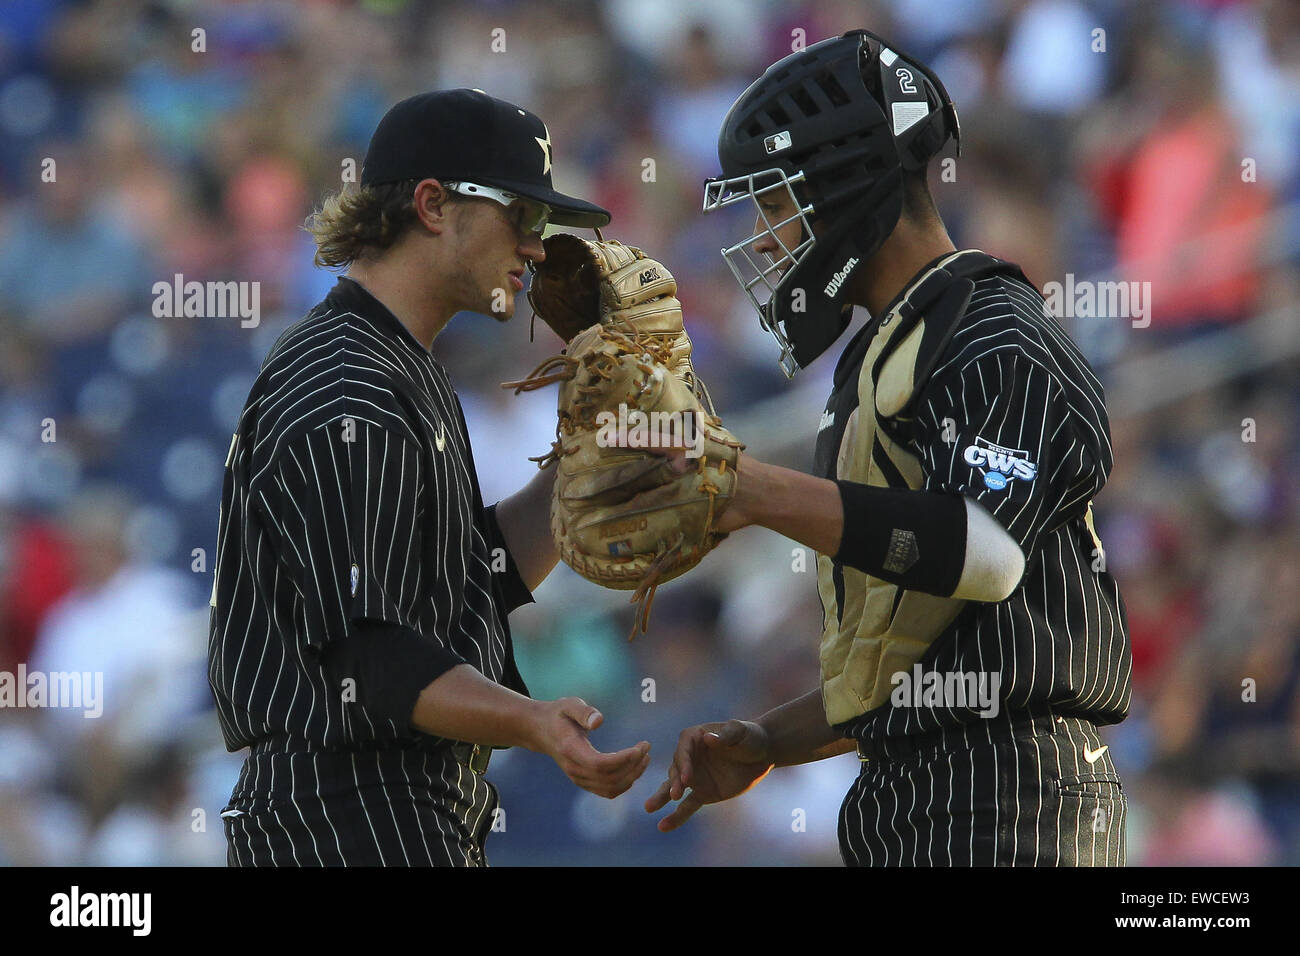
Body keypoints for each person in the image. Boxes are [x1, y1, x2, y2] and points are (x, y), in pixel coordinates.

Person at [645, 30, 1132, 866]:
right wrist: (769, 738)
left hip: (1015, 799)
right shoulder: (890, 353)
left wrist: (753, 492)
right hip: (922, 797)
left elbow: (984, 556)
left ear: (847, 188)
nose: (763, 239)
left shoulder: (993, 333)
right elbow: (921, 658)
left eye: (776, 203)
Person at [208, 89, 650, 867]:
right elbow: (368, 656)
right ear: (434, 204)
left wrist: (584, 465)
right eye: (522, 215)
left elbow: (462, 585)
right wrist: (531, 719)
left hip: (394, 810)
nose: (539, 248)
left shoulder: (397, 364)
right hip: (345, 818)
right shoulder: (348, 385)